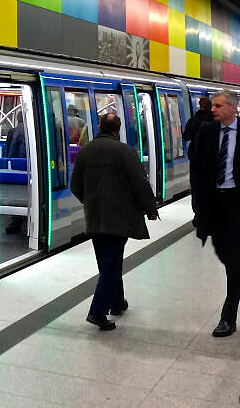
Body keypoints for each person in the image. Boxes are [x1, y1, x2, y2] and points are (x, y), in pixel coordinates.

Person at [188, 90, 240, 337]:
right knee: (223, 252)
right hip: (214, 204)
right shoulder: (207, 132)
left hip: (239, 205)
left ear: (233, 108)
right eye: (212, 105)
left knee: (233, 257)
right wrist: (198, 200)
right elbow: (197, 168)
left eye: (217, 105)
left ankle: (228, 318)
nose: (212, 109)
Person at [70, 113, 158, 331]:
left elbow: (75, 185)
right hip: (119, 218)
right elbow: (140, 183)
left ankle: (117, 302)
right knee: (112, 262)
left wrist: (90, 201)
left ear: (99, 126)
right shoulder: (125, 152)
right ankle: (97, 311)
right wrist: (150, 209)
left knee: (107, 261)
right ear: (118, 129)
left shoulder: (85, 151)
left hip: (94, 216)